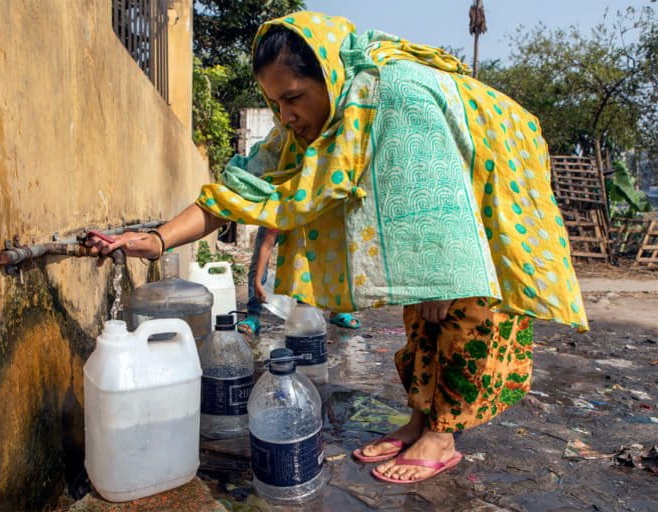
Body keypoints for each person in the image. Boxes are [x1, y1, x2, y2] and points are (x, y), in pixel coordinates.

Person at [87, 11, 588, 484]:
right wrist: (157, 239)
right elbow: (240, 190)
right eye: (276, 103)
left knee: (463, 314)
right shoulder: (311, 126)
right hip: (436, 213)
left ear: (329, 78)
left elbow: (437, 191)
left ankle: (442, 435)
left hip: (480, 193)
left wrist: (445, 280)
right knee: (420, 314)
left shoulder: (397, 94)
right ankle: (419, 421)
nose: (286, 115)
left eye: (294, 97)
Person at [236, 226, 360, 337]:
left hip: (308, 217)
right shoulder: (276, 214)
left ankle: (335, 308)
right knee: (258, 260)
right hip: (281, 215)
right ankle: (253, 314)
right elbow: (267, 245)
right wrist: (257, 281)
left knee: (318, 258)